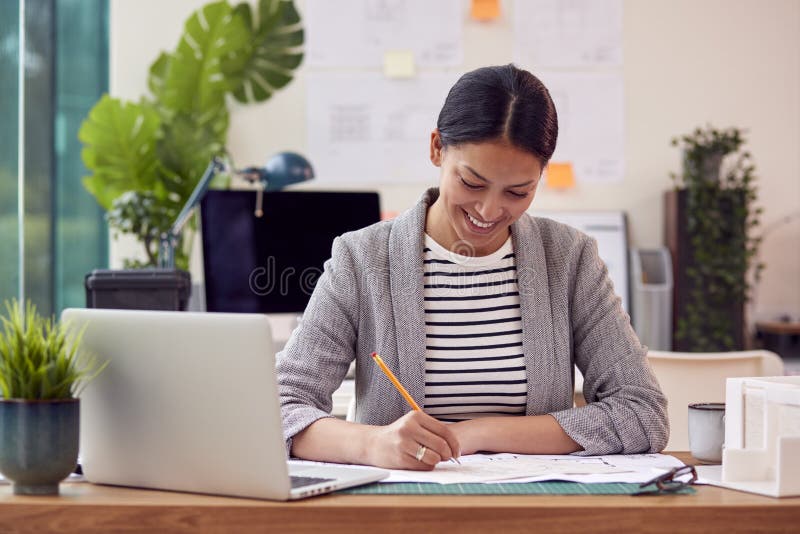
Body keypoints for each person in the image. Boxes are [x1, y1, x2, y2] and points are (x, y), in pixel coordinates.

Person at [277, 64, 668, 471]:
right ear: (436, 149)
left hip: (537, 507)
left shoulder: (569, 259)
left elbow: (643, 413)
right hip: (401, 509)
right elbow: (282, 408)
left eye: (518, 192)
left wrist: (475, 434)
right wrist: (371, 444)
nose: (489, 210)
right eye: (472, 183)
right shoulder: (363, 259)